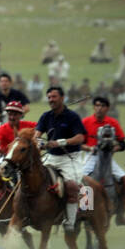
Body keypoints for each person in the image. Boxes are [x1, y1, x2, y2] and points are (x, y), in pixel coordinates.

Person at [33, 85, 88, 232]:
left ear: (62, 98)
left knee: (71, 187)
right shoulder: (46, 116)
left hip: (69, 158)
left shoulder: (72, 117)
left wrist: (59, 142)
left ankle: (70, 222)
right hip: (51, 157)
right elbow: (36, 135)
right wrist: (39, 142)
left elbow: (80, 137)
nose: (51, 100)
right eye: (49, 97)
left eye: (54, 97)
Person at [80, 95, 125, 223]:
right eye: (97, 105)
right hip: (91, 156)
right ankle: (84, 210)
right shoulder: (86, 122)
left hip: (108, 158)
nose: (99, 108)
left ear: (107, 108)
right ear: (93, 107)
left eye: (102, 106)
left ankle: (121, 214)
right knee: (81, 180)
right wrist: (89, 148)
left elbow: (123, 144)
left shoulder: (113, 123)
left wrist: (114, 148)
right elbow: (78, 143)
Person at [0, 72, 30, 137]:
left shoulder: (17, 94)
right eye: (2, 81)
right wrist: (1, 116)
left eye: (6, 81)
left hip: (18, 121)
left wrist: (18, 113)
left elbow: (27, 108)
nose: (4, 83)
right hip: (3, 122)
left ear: (10, 83)